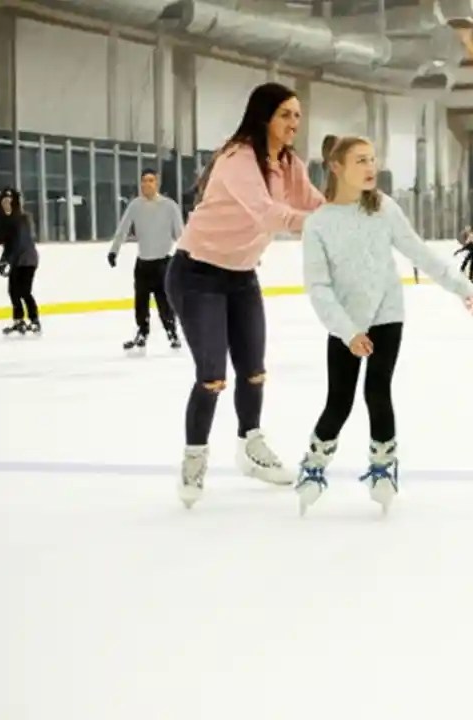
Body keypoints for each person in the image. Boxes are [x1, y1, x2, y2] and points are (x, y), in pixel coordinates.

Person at [294, 136, 473, 516]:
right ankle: (313, 465)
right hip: (345, 325)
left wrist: (460, 286)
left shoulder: (384, 208)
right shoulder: (318, 224)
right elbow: (318, 288)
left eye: (372, 160)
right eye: (361, 160)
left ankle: (382, 466)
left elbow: (418, 251)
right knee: (339, 402)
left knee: (377, 391)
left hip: (386, 315)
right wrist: (348, 332)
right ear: (337, 167)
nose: (370, 167)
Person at [166, 81, 326, 509]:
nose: (294, 122)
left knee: (253, 370)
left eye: (297, 114)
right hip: (197, 274)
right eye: (285, 115)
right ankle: (194, 459)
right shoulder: (238, 158)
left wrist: (351, 213)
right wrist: (320, 225)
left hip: (241, 277)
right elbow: (268, 213)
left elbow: (314, 202)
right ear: (264, 118)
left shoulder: (289, 163)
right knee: (212, 375)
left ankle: (250, 445)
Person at [108, 168, 184, 351]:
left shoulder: (169, 206)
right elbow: (123, 229)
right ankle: (142, 332)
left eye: (150, 180)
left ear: (156, 183)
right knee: (140, 301)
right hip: (143, 263)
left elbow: (181, 234)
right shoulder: (135, 205)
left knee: (164, 301)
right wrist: (114, 251)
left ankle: (171, 332)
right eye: (143, 181)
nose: (146, 184)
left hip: (163, 262)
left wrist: (185, 256)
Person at [0, 188, 40, 336]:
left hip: (27, 259)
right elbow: (2, 238)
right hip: (16, 260)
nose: (6, 205)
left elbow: (19, 242)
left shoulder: (22, 219)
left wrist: (7, 260)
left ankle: (34, 320)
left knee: (24, 291)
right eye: (3, 202)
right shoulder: (7, 220)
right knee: (13, 291)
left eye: (9, 202)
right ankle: (18, 320)